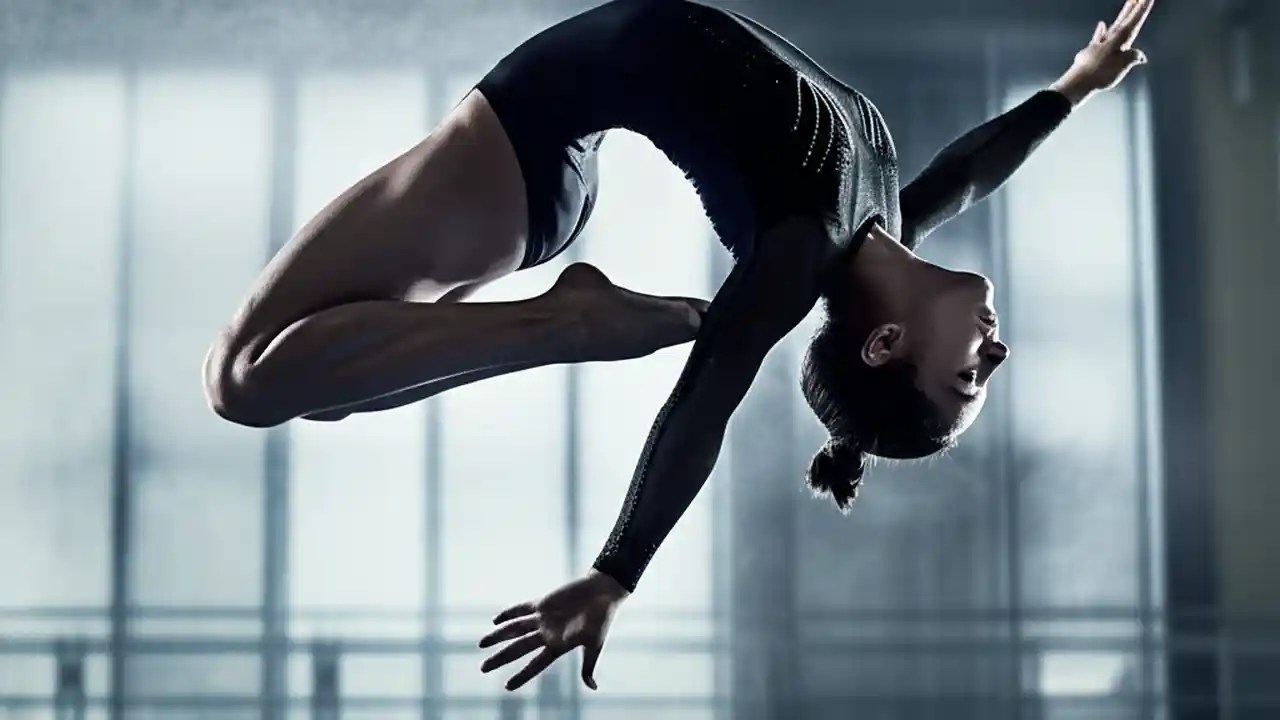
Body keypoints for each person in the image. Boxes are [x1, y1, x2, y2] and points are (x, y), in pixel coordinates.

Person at [202, 0, 1154, 692]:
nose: (998, 356)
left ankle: (568, 323)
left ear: (887, 345)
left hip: (527, 141)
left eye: (967, 380)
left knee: (243, 380)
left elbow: (706, 399)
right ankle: (558, 322)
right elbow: (975, 171)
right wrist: (1077, 85)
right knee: (316, 385)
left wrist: (618, 571)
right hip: (538, 161)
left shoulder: (800, 252)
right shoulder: (881, 211)